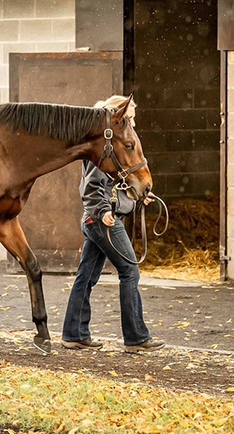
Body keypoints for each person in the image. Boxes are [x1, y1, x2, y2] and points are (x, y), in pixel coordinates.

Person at [61, 95, 164, 353]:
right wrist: (104, 210)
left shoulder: (110, 143)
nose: (133, 123)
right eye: (131, 117)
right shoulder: (105, 145)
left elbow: (115, 183)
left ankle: (74, 333)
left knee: (86, 276)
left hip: (96, 218)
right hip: (102, 220)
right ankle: (136, 337)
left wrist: (138, 194)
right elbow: (93, 185)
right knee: (130, 271)